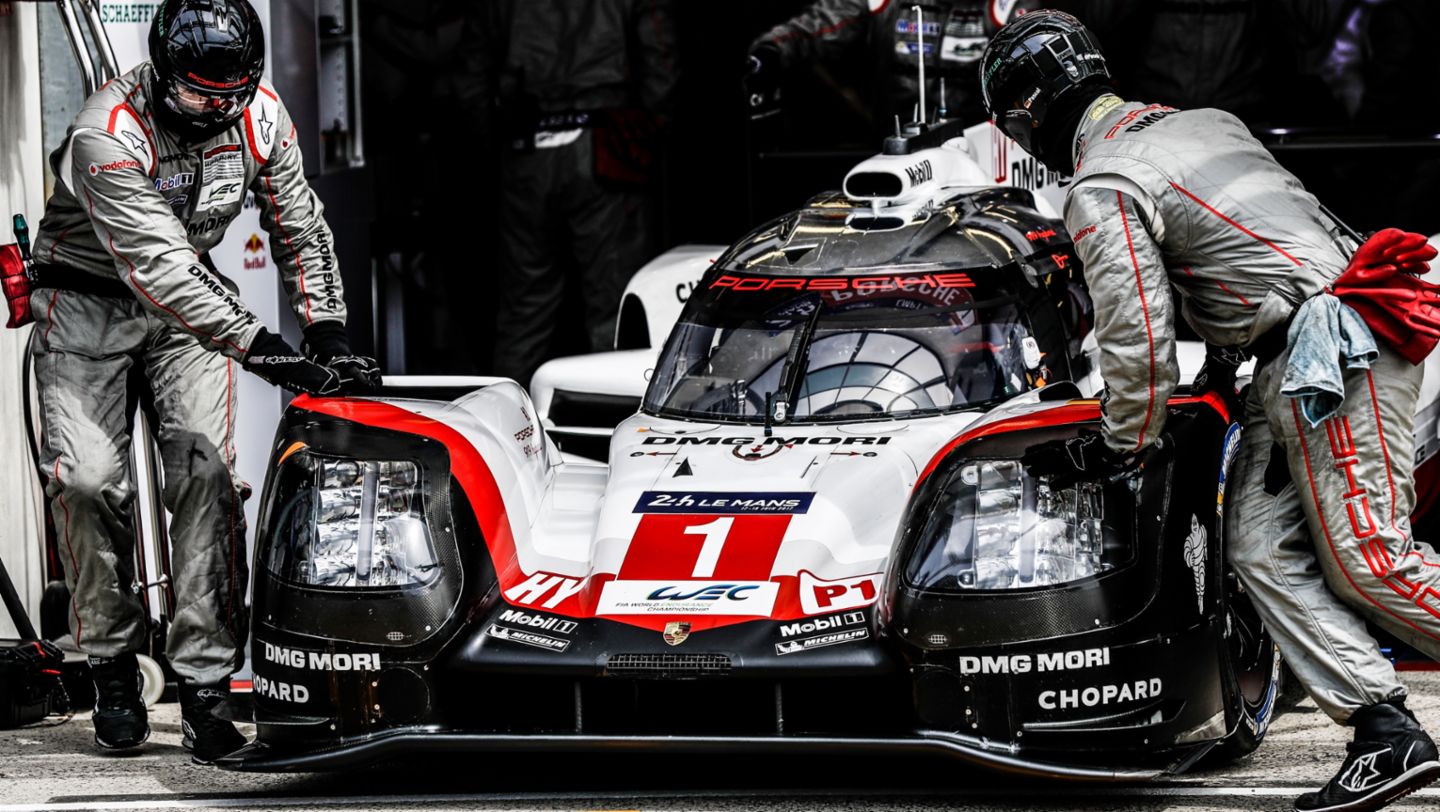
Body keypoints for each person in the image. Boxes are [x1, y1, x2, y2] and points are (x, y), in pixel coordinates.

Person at [980, 11, 1440, 812]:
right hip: (1311, 352)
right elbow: (1262, 250)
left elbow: (1140, 339)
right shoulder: (1201, 122)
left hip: (1334, 355)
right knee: (1259, 548)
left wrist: (1123, 441)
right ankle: (1385, 733)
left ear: (1028, 112)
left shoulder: (1104, 182)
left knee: (1372, 559)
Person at [28, 0, 379, 763]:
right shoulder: (106, 131)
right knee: (87, 483)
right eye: (196, 95)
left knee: (208, 479)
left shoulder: (261, 114)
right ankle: (112, 667)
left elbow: (301, 225)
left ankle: (207, 686)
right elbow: (161, 267)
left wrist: (327, 330)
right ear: (161, 76)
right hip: (86, 302)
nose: (214, 109)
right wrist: (262, 349)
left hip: (190, 316)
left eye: (230, 94)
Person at [454, 0, 679, 386]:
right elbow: (661, 59)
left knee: (524, 311)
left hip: (529, 150)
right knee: (616, 306)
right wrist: (645, 131)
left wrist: (497, 148)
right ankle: (610, 429)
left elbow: (469, 78)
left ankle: (506, 426)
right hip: (603, 145)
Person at [746, 0, 1042, 127]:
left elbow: (1036, 50)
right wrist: (772, 51)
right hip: (894, 148)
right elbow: (815, 27)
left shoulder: (1007, 6)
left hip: (984, 156)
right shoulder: (884, 1)